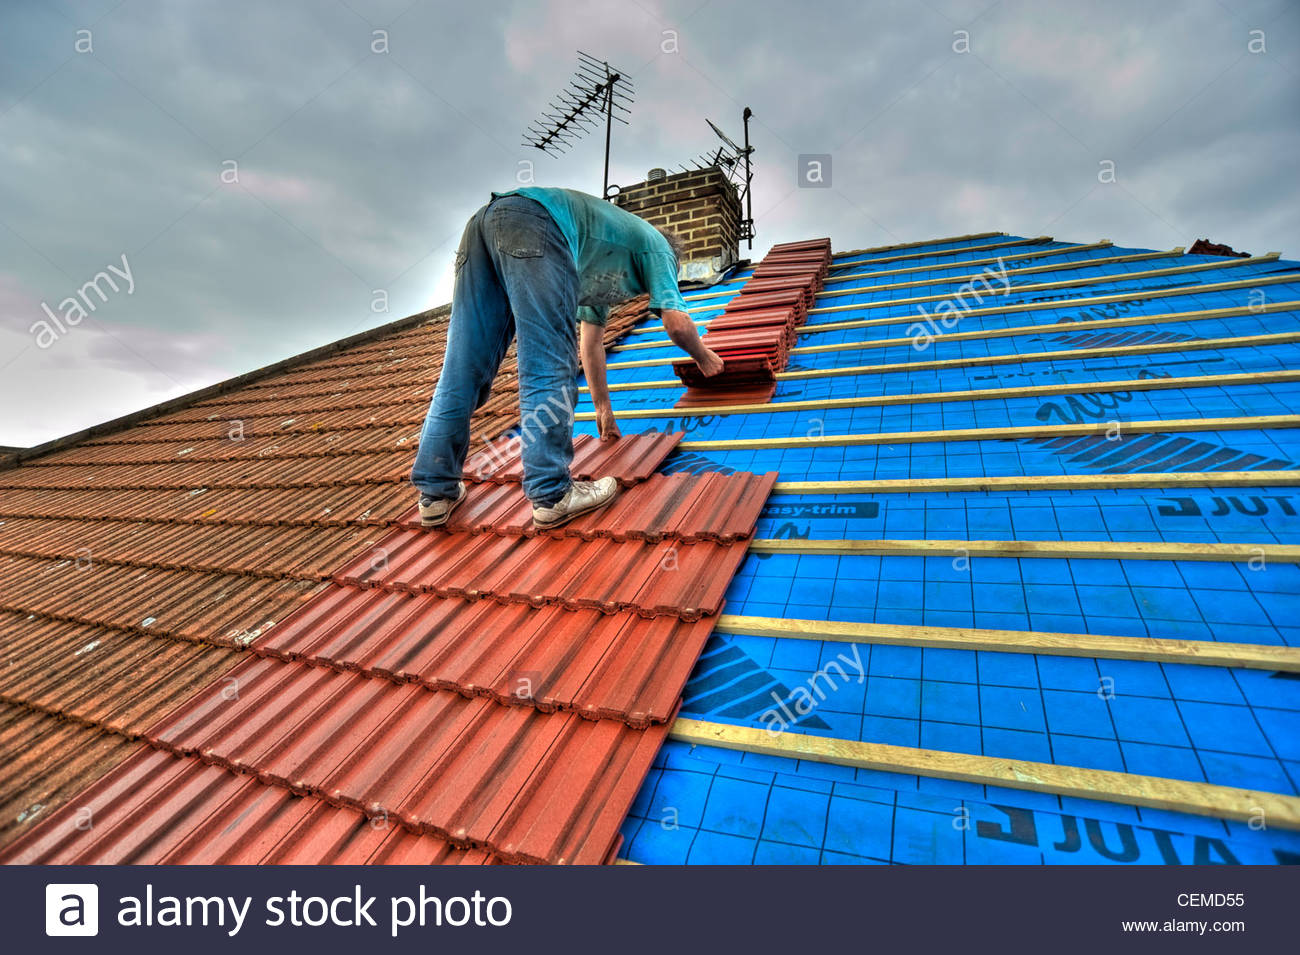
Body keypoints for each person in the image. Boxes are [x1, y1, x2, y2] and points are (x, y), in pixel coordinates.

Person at [410, 186, 724, 530]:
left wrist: (603, 409)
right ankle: (552, 494)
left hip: (484, 226)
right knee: (548, 363)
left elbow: (590, 344)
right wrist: (705, 357)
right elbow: (677, 324)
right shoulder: (660, 248)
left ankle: (435, 491)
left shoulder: (602, 258)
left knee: (462, 368)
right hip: (536, 222)